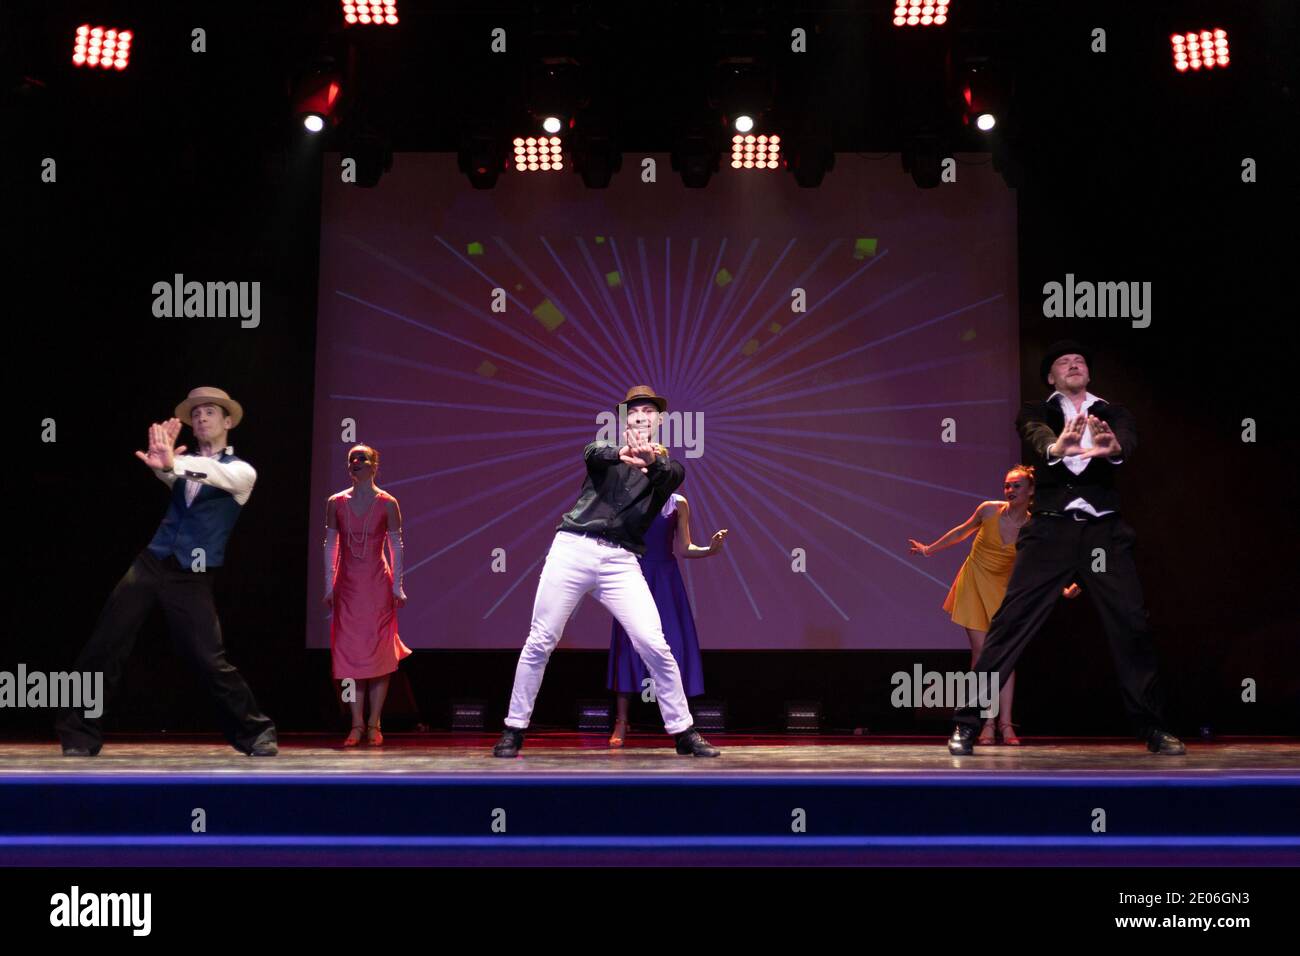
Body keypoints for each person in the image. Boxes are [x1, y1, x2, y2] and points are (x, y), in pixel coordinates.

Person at [946, 341, 1185, 756]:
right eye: (1064, 362)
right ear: (1052, 377)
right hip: (1051, 532)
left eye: (1080, 361)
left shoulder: (1112, 413)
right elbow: (1037, 436)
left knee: (1132, 626)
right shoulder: (1038, 411)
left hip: (1103, 533)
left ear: (1088, 374)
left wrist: (1113, 451)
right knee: (1009, 624)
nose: (1074, 365)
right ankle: (967, 724)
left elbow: (1125, 441)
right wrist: (1057, 449)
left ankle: (1153, 728)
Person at [493, 386, 721, 758]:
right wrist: (623, 453)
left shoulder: (670, 470)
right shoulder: (604, 452)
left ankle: (683, 732)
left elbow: (670, 475)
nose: (642, 416)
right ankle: (514, 729)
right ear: (626, 420)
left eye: (649, 411)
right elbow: (593, 453)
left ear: (660, 421)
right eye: (635, 412)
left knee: (654, 643)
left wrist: (652, 460)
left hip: (621, 561)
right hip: (573, 548)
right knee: (540, 640)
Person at [55, 387, 278, 757]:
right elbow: (177, 477)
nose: (201, 418)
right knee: (105, 644)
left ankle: (256, 732)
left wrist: (171, 465)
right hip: (152, 562)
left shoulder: (241, 472)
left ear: (227, 421)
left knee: (208, 659)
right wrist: (165, 468)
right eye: (196, 413)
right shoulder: (184, 461)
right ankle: (79, 734)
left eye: (209, 412)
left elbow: (207, 474)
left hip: (192, 575)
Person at [909, 466, 1081, 745]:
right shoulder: (988, 510)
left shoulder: (1032, 525)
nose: (1010, 490)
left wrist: (1062, 589)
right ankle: (985, 722)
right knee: (982, 655)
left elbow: (1040, 564)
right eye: (1007, 486)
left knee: (1006, 654)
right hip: (974, 583)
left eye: (1016, 486)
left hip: (1004, 591)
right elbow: (961, 532)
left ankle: (1006, 724)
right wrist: (929, 549)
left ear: (1031, 490)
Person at [606, 492, 727, 747]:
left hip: (665, 580)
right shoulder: (627, 499)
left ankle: (682, 723)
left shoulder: (679, 502)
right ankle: (621, 720)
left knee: (675, 645)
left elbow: (684, 547)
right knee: (629, 646)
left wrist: (710, 549)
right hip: (634, 574)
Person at [323, 444, 412, 747]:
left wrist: (397, 586)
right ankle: (357, 723)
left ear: (375, 465)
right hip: (347, 586)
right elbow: (330, 545)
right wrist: (328, 584)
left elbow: (397, 546)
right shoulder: (336, 502)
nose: (357, 462)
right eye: (352, 459)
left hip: (376, 585)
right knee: (349, 657)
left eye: (363, 459)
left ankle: (374, 722)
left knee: (378, 653)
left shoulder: (387, 503)